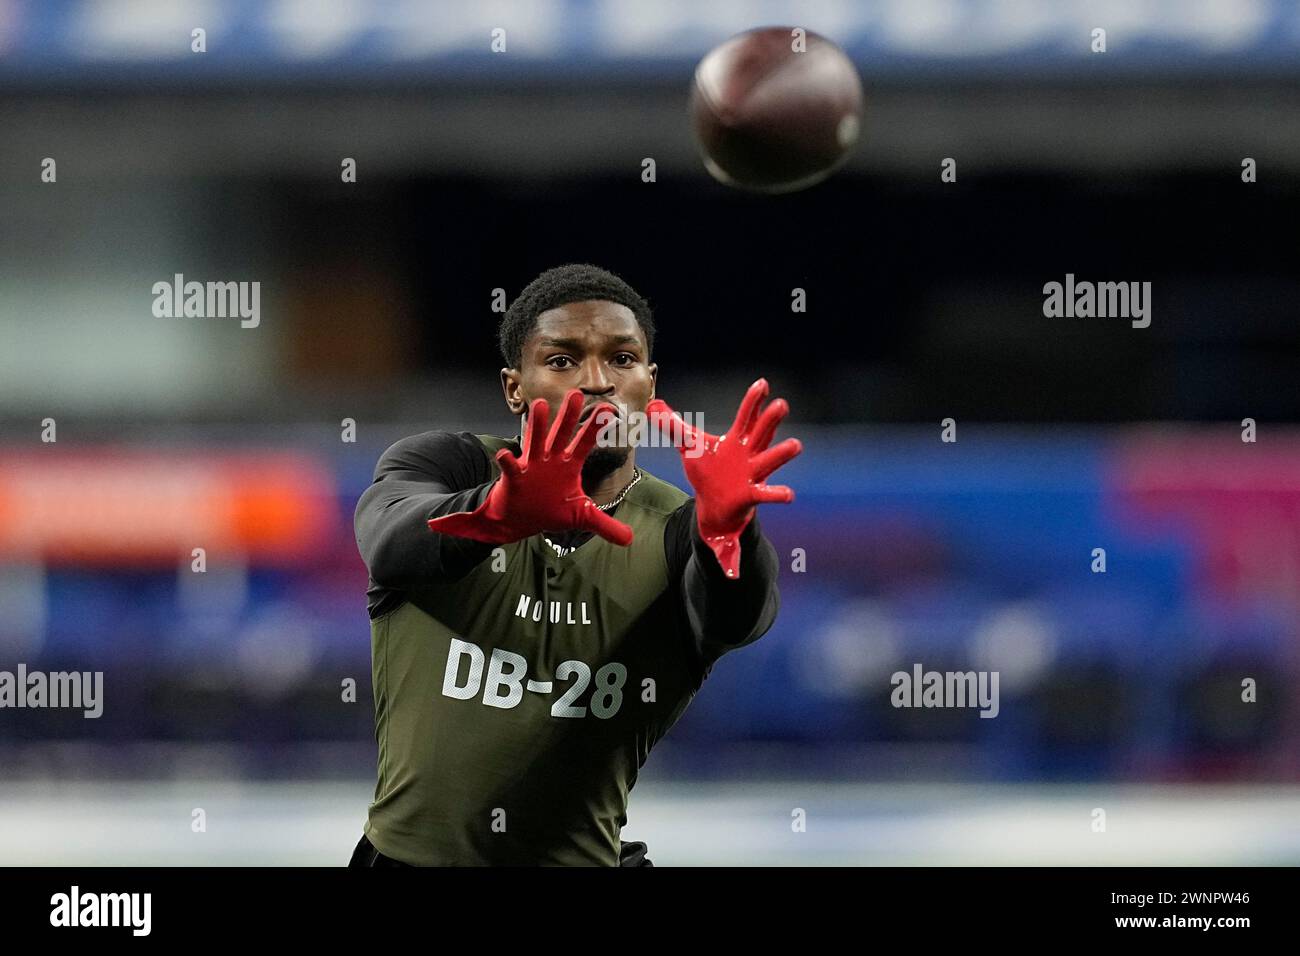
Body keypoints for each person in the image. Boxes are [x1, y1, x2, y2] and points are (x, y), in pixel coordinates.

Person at [350, 263, 802, 866]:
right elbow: (388, 541)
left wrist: (731, 533)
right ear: (514, 388)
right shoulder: (449, 467)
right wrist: (498, 514)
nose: (597, 381)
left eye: (622, 359)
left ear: (649, 383)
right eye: (562, 360)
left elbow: (737, 618)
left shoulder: (678, 532)